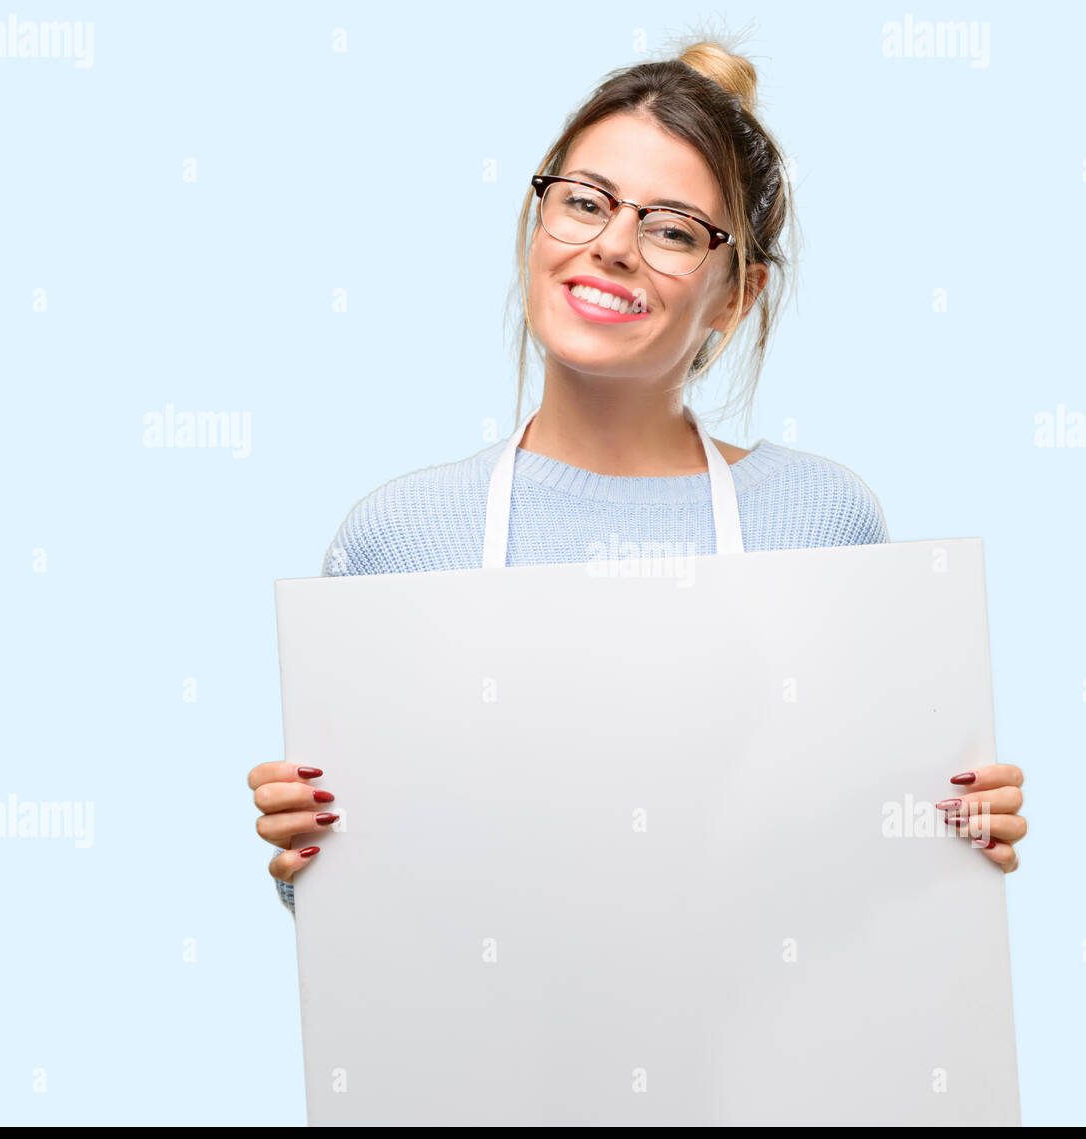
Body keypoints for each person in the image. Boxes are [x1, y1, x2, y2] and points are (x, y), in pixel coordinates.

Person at [251, 38, 1027, 915]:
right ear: (537, 225)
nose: (613, 245)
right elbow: (381, 926)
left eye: (670, 229)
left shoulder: (822, 523)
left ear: (738, 295)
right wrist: (307, 863)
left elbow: (855, 892)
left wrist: (950, 835)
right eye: (585, 202)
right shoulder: (399, 537)